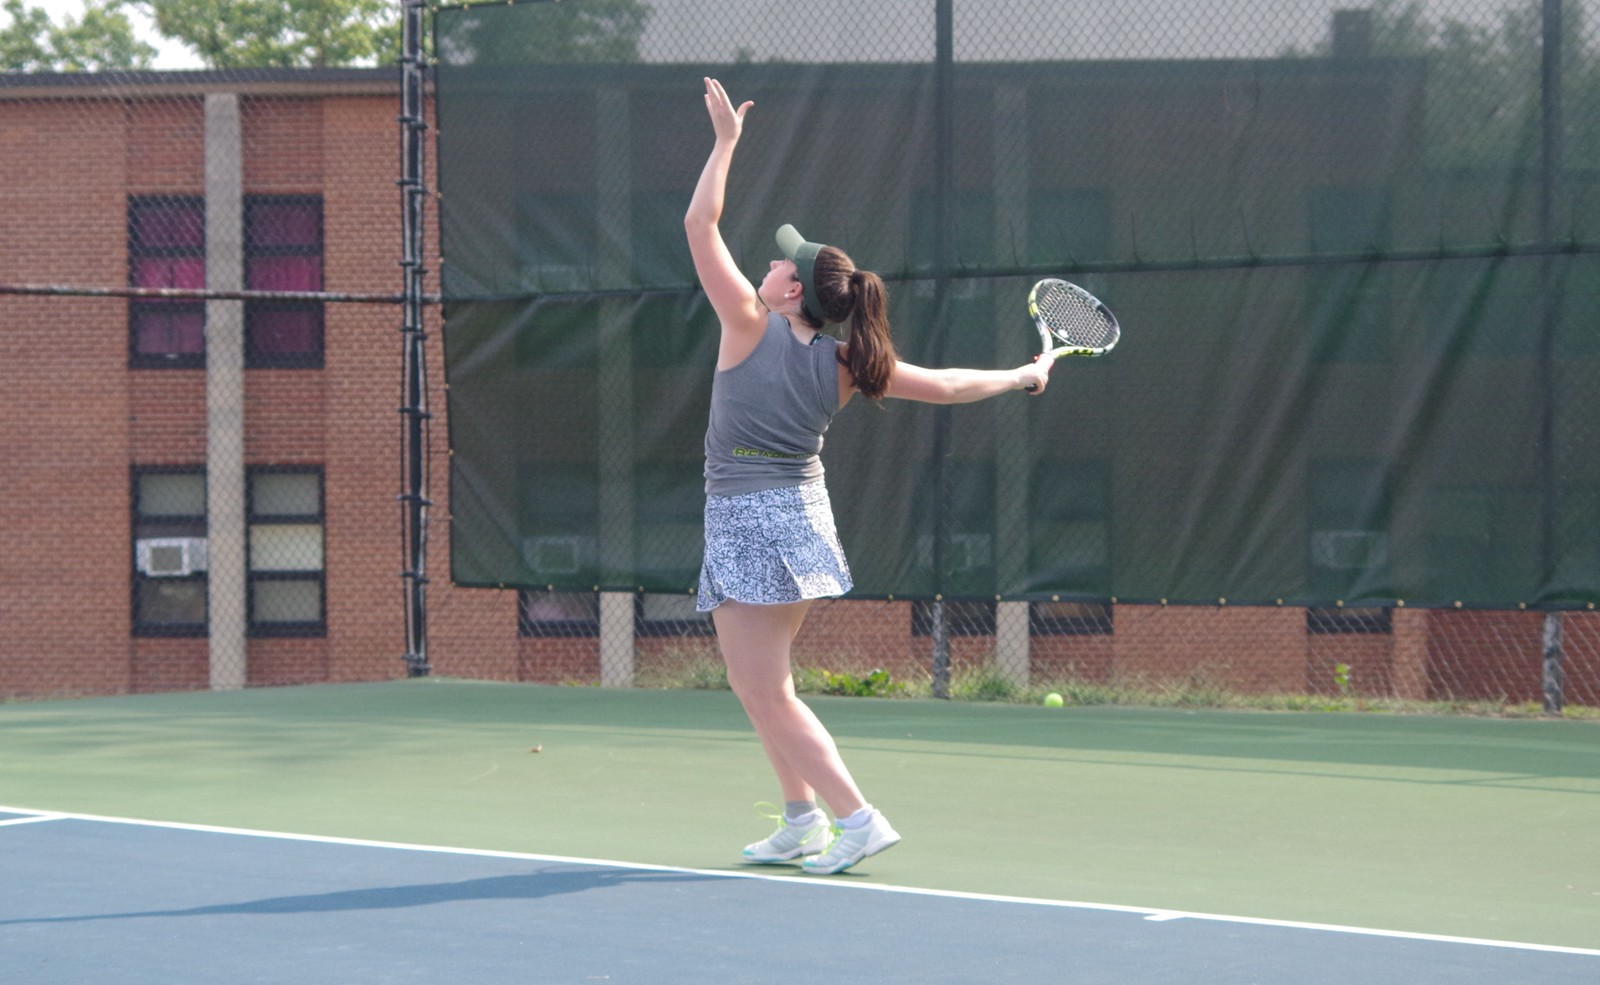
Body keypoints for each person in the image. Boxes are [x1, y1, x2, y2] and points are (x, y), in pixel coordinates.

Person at [684, 77, 1051, 875]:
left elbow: (698, 222)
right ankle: (800, 819)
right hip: (803, 522)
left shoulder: (747, 323)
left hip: (752, 523)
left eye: (779, 262)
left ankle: (857, 818)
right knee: (761, 687)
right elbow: (951, 383)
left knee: (767, 691)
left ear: (789, 291)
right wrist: (1024, 375)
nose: (769, 263)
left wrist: (724, 145)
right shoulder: (852, 361)